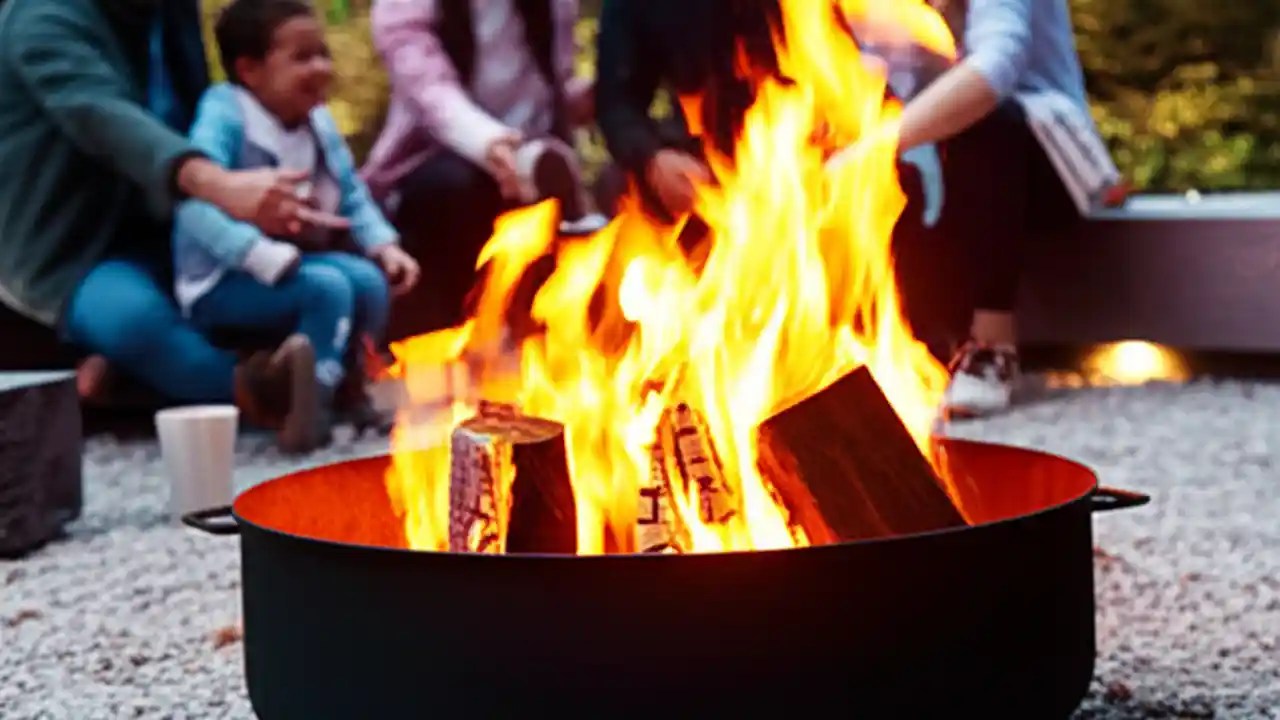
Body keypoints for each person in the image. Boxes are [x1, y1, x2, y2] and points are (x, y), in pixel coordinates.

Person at [595, 0, 1123, 419]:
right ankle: (708, 360)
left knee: (980, 135)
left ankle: (991, 347)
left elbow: (992, 71)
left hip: (1039, 154)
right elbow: (855, 70)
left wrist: (859, 152)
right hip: (862, 162)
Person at [0, 0, 350, 444]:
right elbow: (104, 118)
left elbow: (199, 112)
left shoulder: (167, 12)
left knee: (316, 281)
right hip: (69, 246)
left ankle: (126, 380)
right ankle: (260, 394)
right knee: (134, 320)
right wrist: (218, 183)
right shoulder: (41, 18)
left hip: (175, 221)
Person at [173, 0, 421, 450]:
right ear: (250, 69)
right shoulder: (227, 114)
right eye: (302, 58)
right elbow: (194, 205)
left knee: (367, 281)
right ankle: (305, 403)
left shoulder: (317, 123)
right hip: (226, 276)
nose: (321, 68)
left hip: (296, 266)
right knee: (327, 288)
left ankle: (351, 382)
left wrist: (384, 245)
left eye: (323, 54)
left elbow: (351, 192)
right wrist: (257, 252)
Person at [362, 0, 604, 340]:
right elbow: (431, 95)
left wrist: (597, 93)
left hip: (538, 159)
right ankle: (459, 340)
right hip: (441, 169)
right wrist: (490, 145)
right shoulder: (406, 9)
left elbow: (555, 83)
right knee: (455, 187)